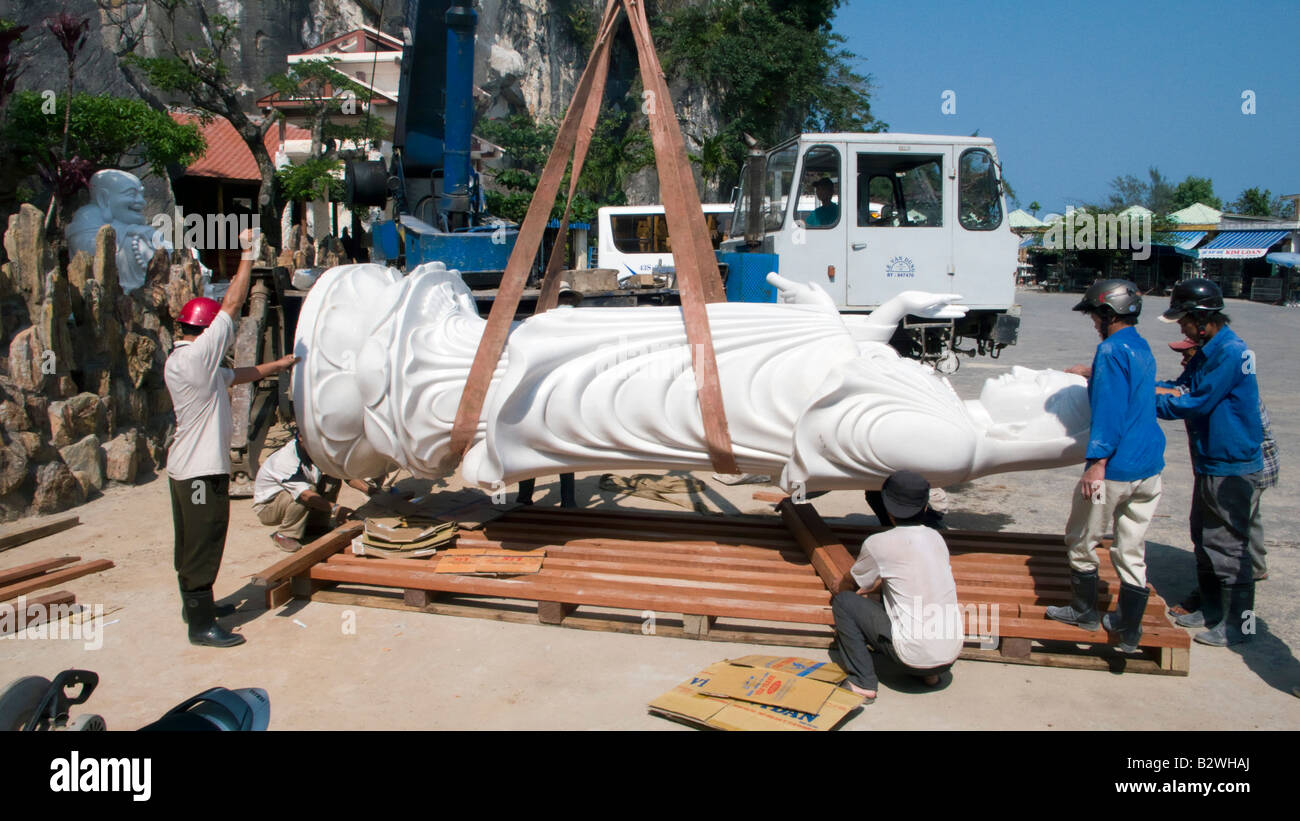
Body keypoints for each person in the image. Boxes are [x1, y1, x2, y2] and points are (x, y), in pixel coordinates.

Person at [165, 228, 299, 648]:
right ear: (204, 332)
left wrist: (279, 364)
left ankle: (198, 606)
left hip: (185, 470)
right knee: (204, 542)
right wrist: (246, 254)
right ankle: (200, 625)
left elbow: (238, 375)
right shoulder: (197, 357)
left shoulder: (191, 365)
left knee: (193, 541)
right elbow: (233, 303)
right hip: (201, 474)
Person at [1046, 279, 1164, 654]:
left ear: (1108, 313)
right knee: (1131, 548)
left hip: (1112, 471)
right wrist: (1092, 373)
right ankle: (1129, 629)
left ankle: (1084, 614)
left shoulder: (1110, 350)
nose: (1094, 323)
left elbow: (1110, 413)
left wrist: (1096, 464)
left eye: (1096, 316)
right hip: (1149, 469)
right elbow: (1132, 390)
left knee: (1081, 538)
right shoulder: (1140, 347)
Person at [1154, 279, 1263, 647]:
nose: (1182, 329)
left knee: (1229, 547)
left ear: (1202, 318)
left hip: (1230, 464)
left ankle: (1241, 625)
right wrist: (1142, 387)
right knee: (1203, 537)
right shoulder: (1208, 349)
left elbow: (1193, 403)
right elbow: (1180, 388)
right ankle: (1213, 609)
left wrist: (1141, 401)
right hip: (1209, 459)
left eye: (1184, 320)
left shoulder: (1228, 352)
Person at [831, 471, 961, 702]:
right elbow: (908, 580)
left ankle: (863, 683)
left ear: (888, 510)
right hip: (950, 655)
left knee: (844, 603)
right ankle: (931, 676)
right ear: (925, 508)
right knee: (904, 595)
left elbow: (850, 584)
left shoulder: (878, 543)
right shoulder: (936, 538)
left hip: (912, 658)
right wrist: (876, 588)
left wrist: (841, 589)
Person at [253, 435, 378, 552]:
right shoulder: (286, 459)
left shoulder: (316, 451)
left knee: (332, 479)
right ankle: (285, 534)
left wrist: (370, 491)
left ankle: (316, 526)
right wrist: (336, 509)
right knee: (307, 492)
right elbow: (305, 495)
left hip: (296, 495)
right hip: (268, 508)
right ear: (300, 438)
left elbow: (343, 474)